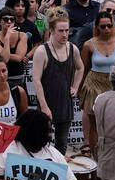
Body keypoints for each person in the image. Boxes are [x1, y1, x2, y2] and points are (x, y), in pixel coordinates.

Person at [31, 11, 83, 154]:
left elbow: (80, 67)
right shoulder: (42, 51)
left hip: (65, 103)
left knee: (62, 143)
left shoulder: (73, 49)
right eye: (61, 31)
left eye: (67, 30)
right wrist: (44, 107)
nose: (65, 34)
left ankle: (60, 172)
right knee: (40, 142)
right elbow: (36, 79)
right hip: (47, 102)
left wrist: (75, 87)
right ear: (52, 31)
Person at [78, 11, 115, 158]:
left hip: (114, 84)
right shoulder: (89, 45)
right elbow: (82, 68)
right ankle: (96, 156)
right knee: (94, 124)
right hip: (94, 83)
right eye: (102, 26)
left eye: (109, 26)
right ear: (97, 27)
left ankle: (113, 154)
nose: (106, 29)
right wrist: (79, 89)